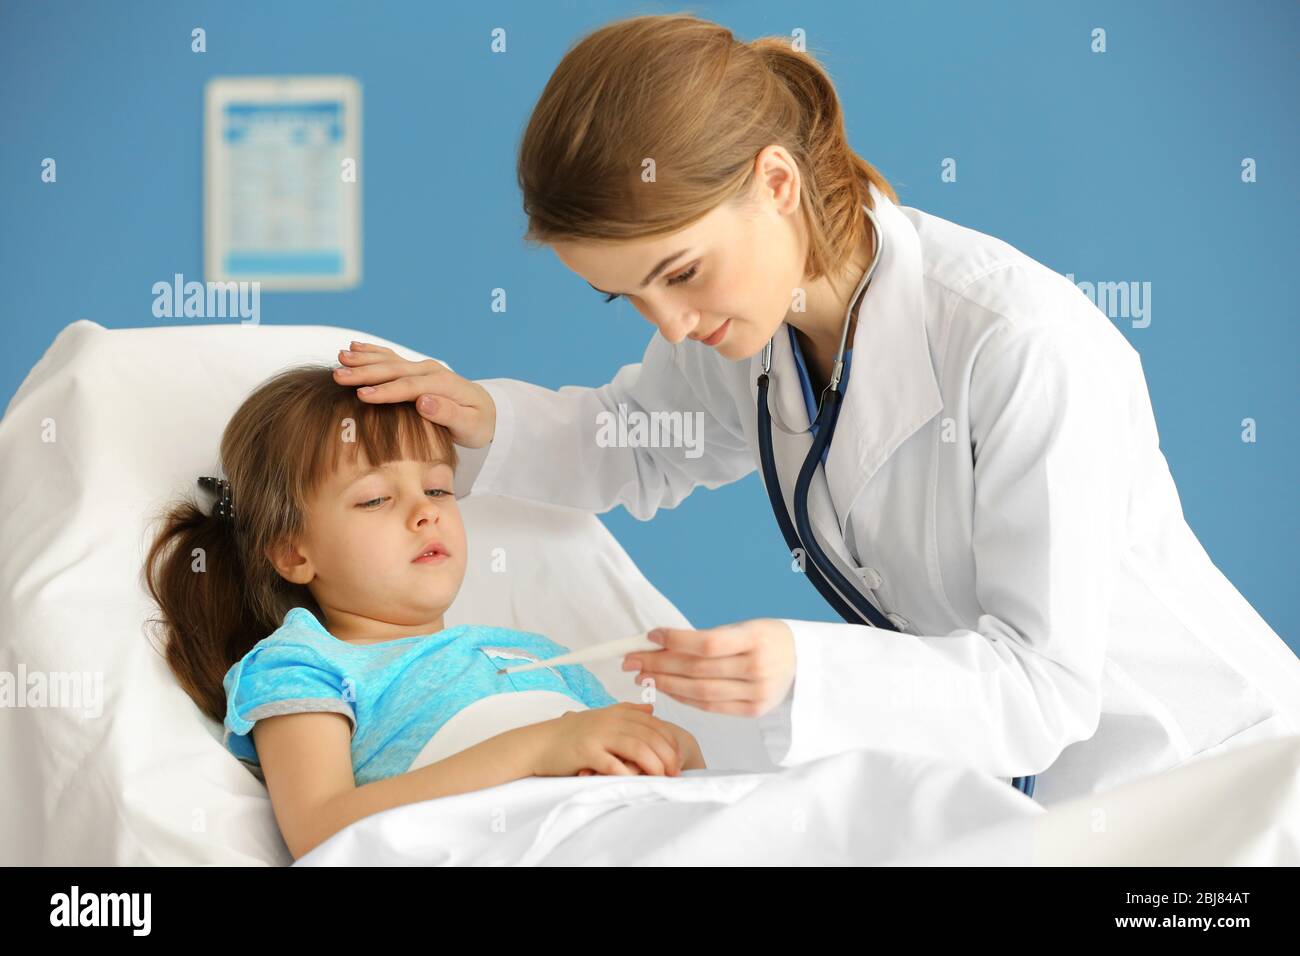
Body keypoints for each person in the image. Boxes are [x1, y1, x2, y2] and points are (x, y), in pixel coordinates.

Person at [335, 14, 1300, 805]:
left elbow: (1044, 689)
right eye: (628, 297)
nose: (669, 326)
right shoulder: (757, 328)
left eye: (680, 273)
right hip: (1067, 805)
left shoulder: (1019, 344)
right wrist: (477, 419)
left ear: (776, 183)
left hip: (1214, 776)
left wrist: (805, 669)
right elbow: (638, 446)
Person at [143, 364, 704, 860]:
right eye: (375, 499)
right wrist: (540, 748)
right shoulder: (304, 663)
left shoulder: (535, 655)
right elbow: (321, 831)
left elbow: (671, 781)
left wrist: (671, 748)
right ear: (293, 552)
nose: (425, 514)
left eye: (438, 490)